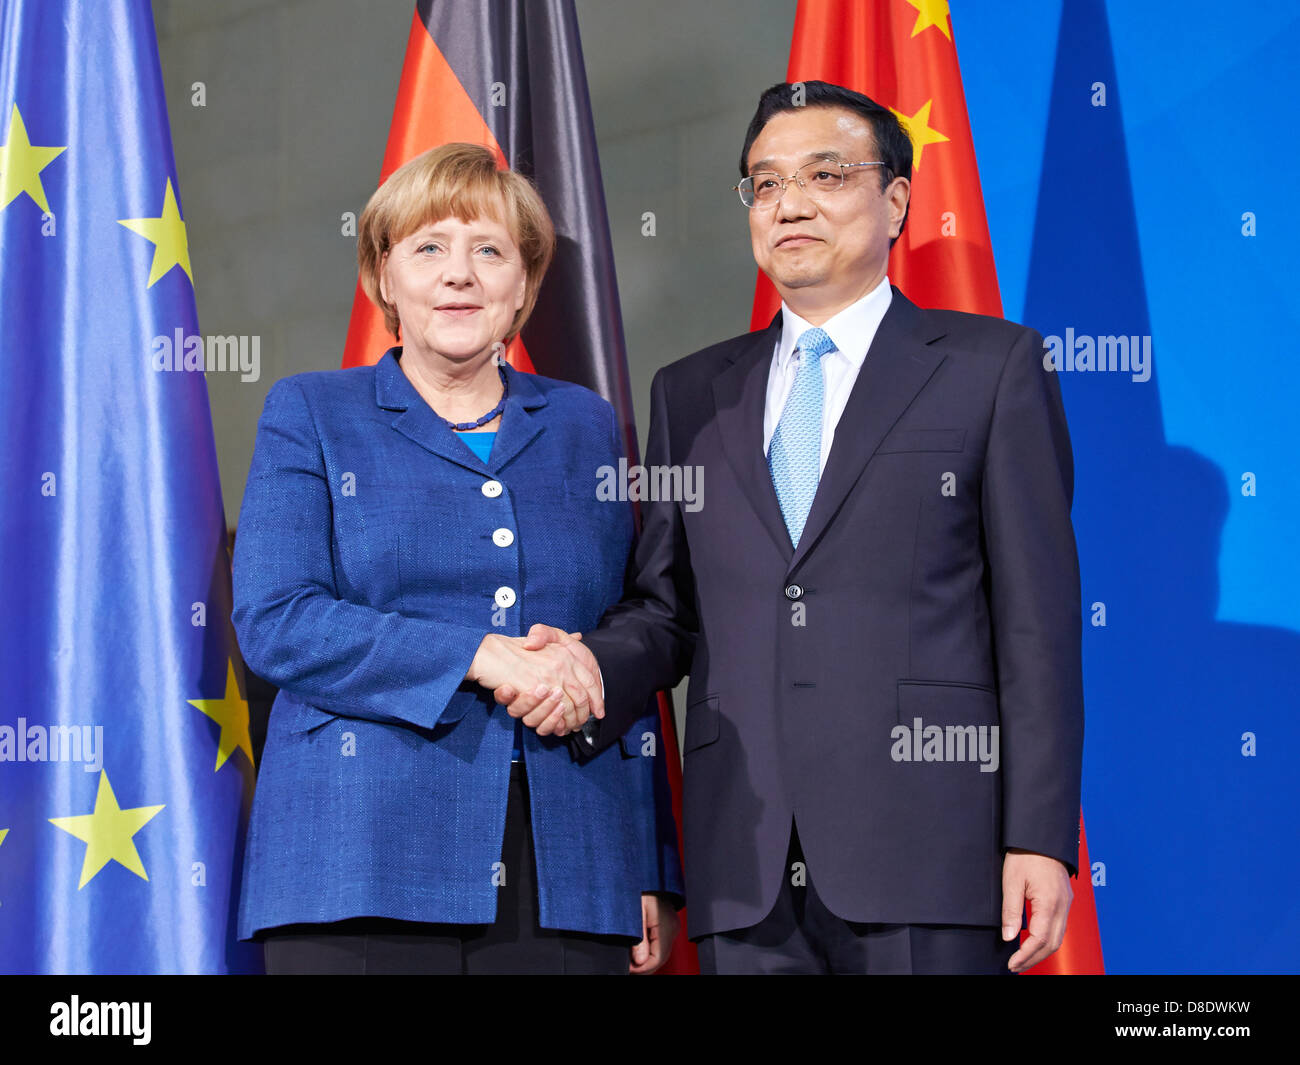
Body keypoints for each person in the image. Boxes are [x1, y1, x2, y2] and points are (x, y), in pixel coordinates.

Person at [499, 81, 1085, 974]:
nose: (790, 204)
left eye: (825, 173)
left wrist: (1037, 836)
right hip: (747, 862)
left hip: (931, 852)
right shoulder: (689, 391)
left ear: (895, 202)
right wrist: (583, 667)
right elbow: (667, 611)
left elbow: (1037, 623)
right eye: (765, 184)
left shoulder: (990, 366)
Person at [231, 142, 682, 975]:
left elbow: (625, 636)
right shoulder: (310, 412)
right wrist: (478, 652)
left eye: (490, 250)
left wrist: (644, 862)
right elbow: (276, 620)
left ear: (525, 287)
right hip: (358, 859)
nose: (459, 273)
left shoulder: (586, 424)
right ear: (384, 276)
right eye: (429, 247)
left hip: (569, 865)